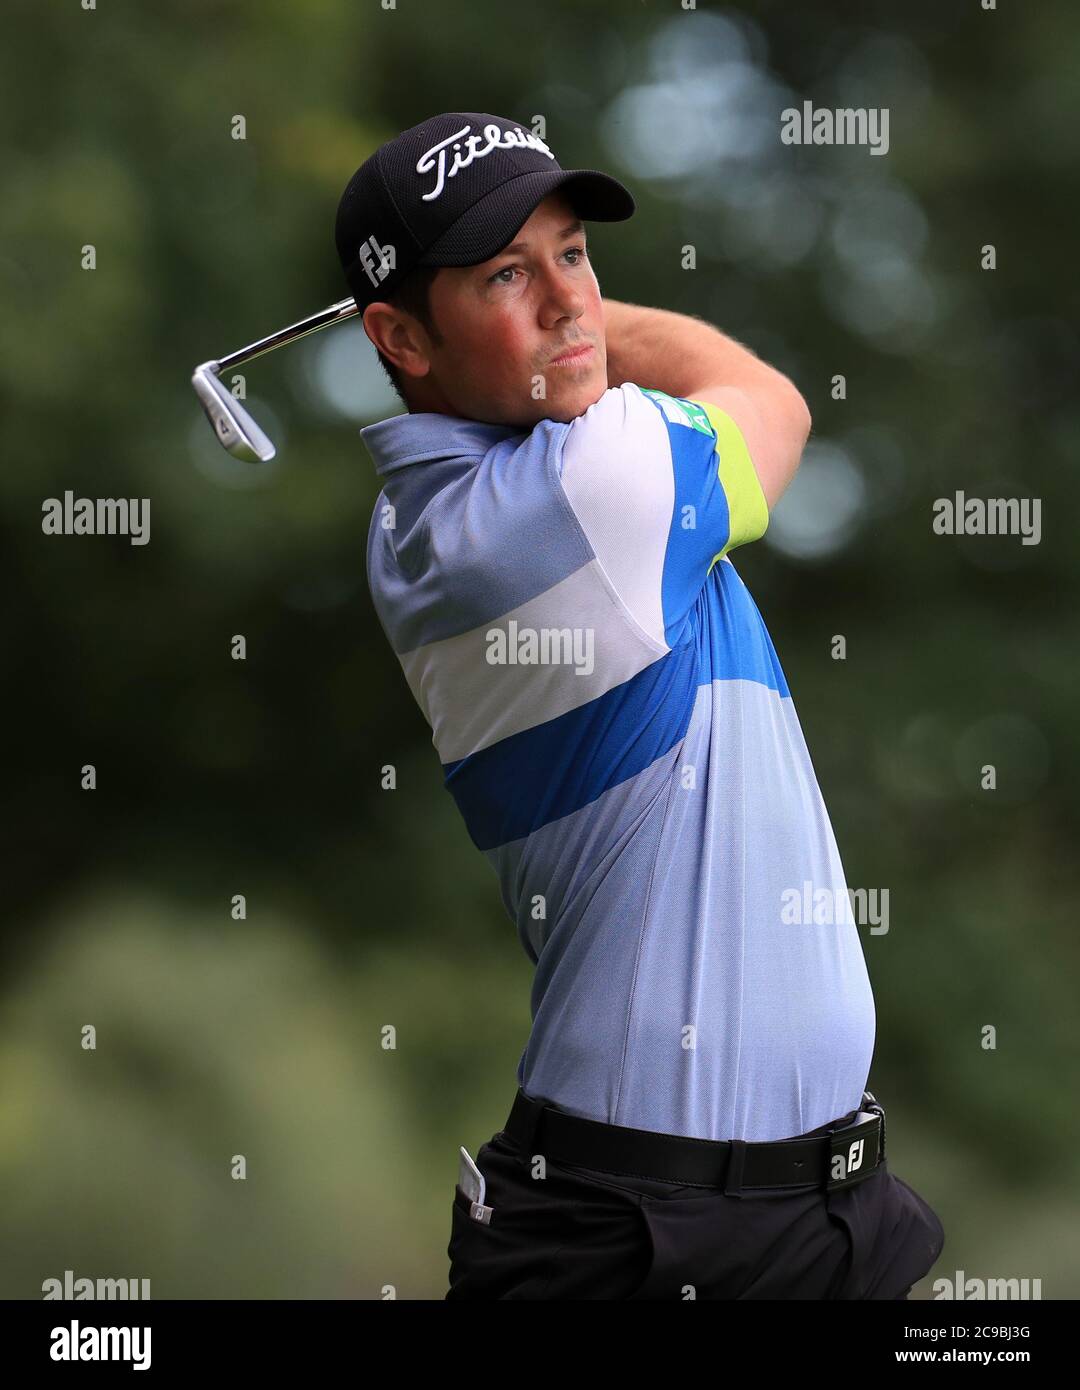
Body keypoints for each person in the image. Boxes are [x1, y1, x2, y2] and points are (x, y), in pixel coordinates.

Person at [335, 111, 945, 1299]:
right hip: (644, 1239)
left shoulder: (427, 518)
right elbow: (769, 399)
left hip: (824, 1221)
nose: (567, 299)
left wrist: (537, 329)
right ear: (398, 334)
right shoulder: (583, 489)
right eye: (508, 271)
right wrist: (599, 338)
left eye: (573, 253)